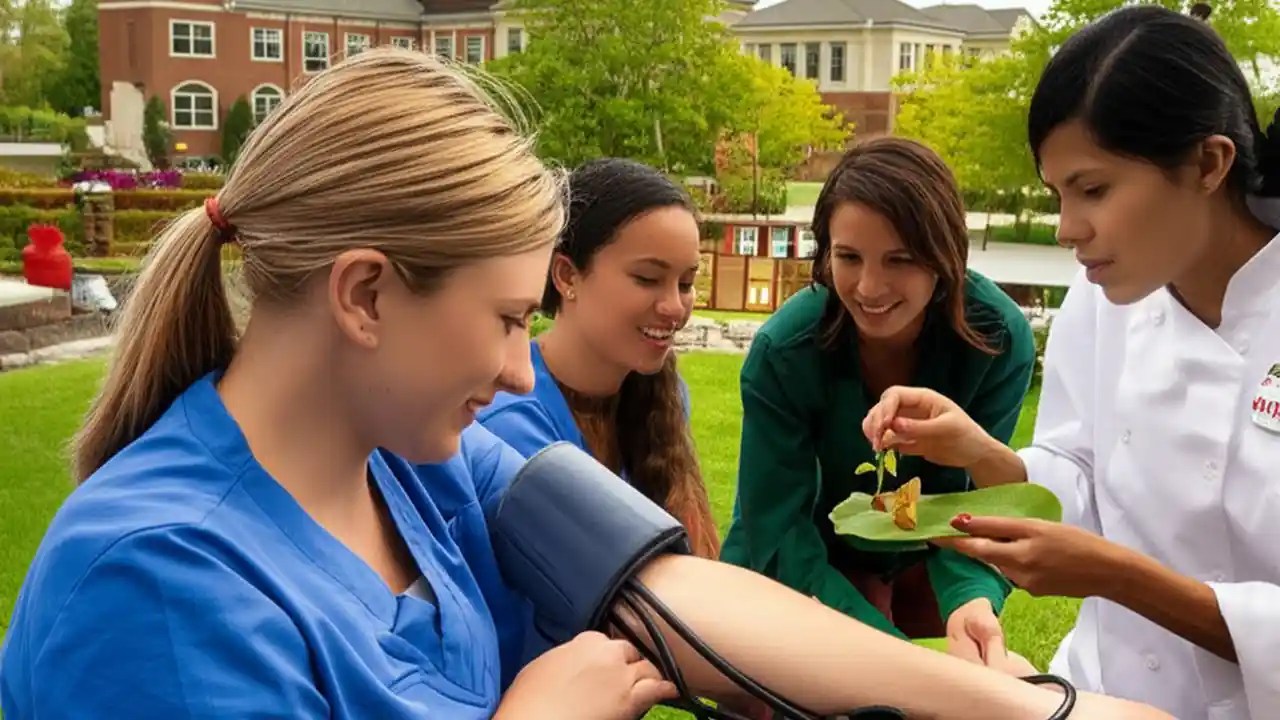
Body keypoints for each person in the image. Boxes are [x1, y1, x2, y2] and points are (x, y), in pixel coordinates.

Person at [0, 48, 1171, 720]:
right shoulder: (152, 581)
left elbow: (681, 594)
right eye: (509, 319)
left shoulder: (427, 467)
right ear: (363, 295)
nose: (522, 368)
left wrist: (1035, 712)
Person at [862, 6, 1280, 720]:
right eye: (1058, 195)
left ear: (1209, 163)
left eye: (1094, 190)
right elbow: (1083, 472)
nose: (1066, 230)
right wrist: (986, 455)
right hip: (1095, 695)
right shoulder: (1105, 297)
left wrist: (1120, 577)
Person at [719, 137, 1036, 668]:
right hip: (804, 561)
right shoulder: (784, 351)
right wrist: (887, 649)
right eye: (848, 257)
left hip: (921, 562)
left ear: (945, 256)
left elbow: (975, 502)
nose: (869, 286)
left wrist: (970, 598)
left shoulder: (998, 339)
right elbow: (778, 529)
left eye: (900, 259)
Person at [477, 157, 720, 561]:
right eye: (647, 278)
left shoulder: (666, 396)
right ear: (567, 276)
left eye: (687, 282)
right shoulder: (510, 424)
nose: (675, 307)